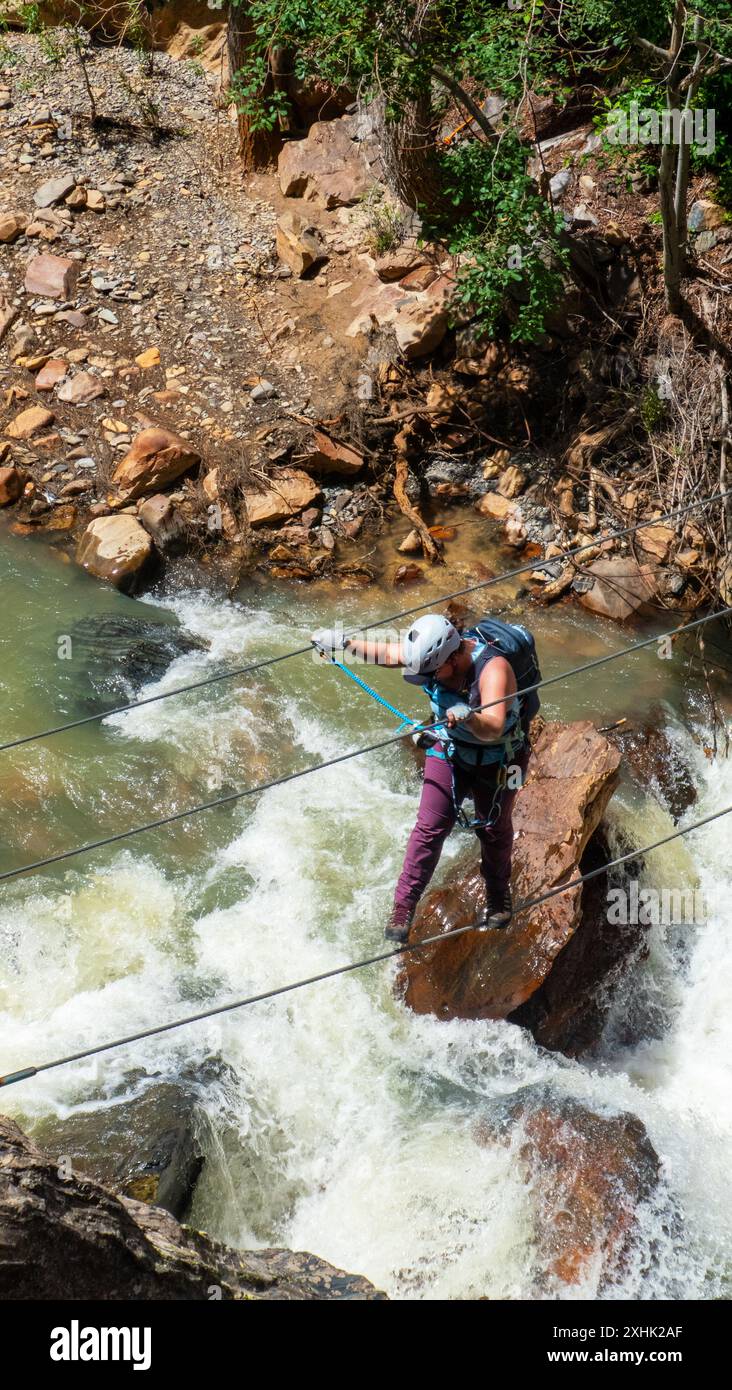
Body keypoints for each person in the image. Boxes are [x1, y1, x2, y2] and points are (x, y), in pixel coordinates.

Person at [311, 614, 533, 943]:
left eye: (432, 673)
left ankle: (498, 897)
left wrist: (470, 718)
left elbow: (494, 726)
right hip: (450, 748)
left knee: (493, 829)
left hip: (501, 758)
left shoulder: (493, 669)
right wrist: (343, 644)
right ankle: (403, 908)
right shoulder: (430, 658)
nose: (427, 678)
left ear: (454, 658)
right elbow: (387, 654)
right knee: (429, 829)